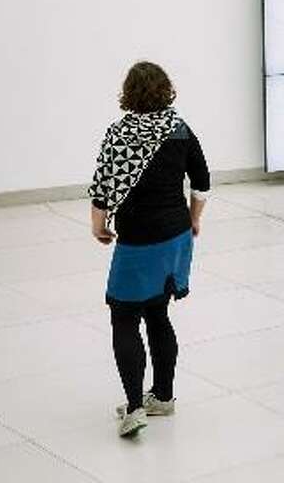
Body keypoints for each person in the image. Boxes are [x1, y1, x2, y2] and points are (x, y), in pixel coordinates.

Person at [88, 61, 209, 438]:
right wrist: (193, 220)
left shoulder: (119, 133)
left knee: (124, 316)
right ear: (166, 90)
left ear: (129, 93)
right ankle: (164, 397)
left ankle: (136, 409)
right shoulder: (180, 130)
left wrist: (98, 227)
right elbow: (202, 183)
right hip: (175, 236)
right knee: (157, 313)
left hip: (138, 241)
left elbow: (102, 189)